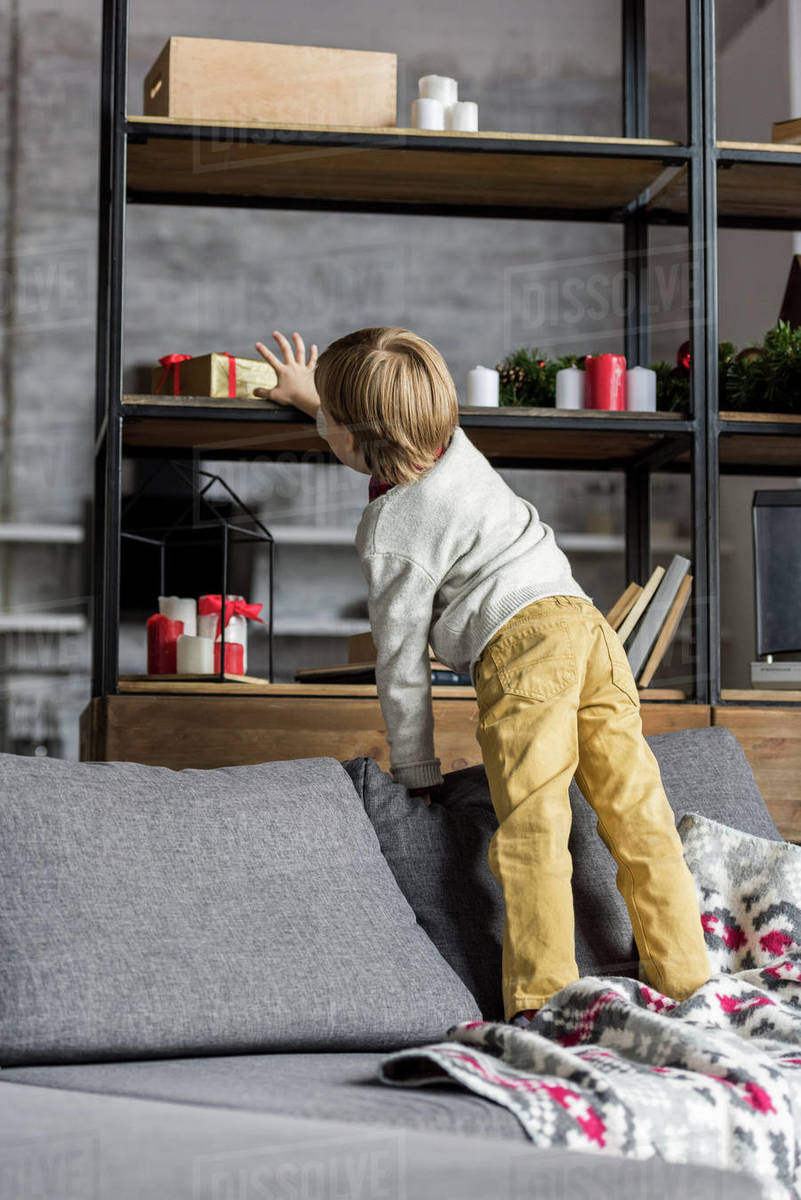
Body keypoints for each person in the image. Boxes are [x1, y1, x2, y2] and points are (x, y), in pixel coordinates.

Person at [254, 326, 712, 1025]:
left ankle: (542, 1002)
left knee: (532, 830)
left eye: (327, 418)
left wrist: (415, 769)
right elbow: (377, 429)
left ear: (348, 435)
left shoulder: (391, 531)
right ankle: (689, 983)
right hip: (589, 630)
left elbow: (401, 664)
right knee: (639, 817)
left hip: (523, 652)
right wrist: (309, 397)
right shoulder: (453, 447)